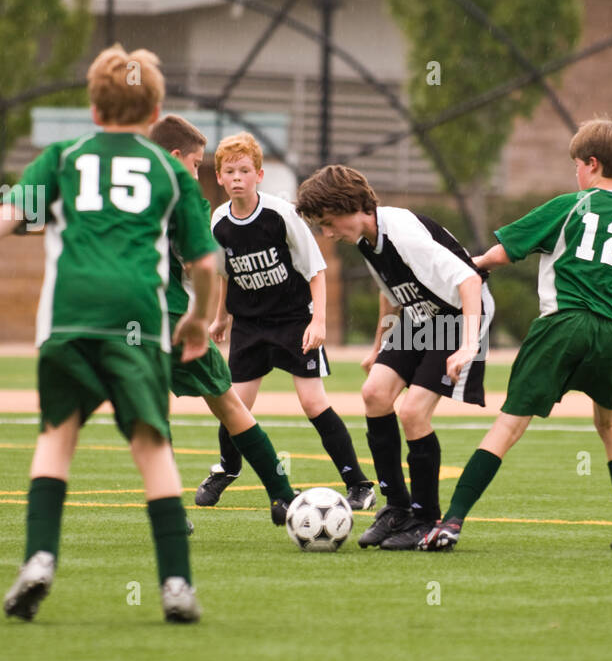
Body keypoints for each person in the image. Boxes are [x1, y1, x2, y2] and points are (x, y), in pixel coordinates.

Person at [0, 45, 217, 624]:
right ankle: (175, 584)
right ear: (154, 114)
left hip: (69, 315)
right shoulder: (171, 169)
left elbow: (9, 217)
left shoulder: (62, 157)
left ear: (93, 109)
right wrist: (197, 320)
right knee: (151, 446)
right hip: (137, 322)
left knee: (55, 438)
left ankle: (40, 559)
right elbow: (206, 263)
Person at [418, 117, 612, 553]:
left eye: (577, 164)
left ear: (591, 164)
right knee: (610, 422)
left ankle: (451, 523)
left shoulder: (571, 205)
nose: (575, 173)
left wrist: (466, 269)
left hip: (562, 325)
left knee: (509, 425)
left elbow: (501, 253)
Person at [295, 164, 494, 550]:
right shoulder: (368, 241)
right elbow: (393, 293)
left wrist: (468, 344)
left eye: (329, 222)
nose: (328, 233)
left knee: (413, 412)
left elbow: (469, 280)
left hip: (459, 316)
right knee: (374, 393)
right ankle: (397, 508)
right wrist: (378, 347)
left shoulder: (401, 232)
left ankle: (426, 518)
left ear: (352, 206)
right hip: (421, 316)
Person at [196, 134, 374, 510]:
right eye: (230, 171)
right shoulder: (218, 220)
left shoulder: (281, 214)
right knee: (233, 404)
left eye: (245, 170)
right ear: (220, 177)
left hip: (294, 321)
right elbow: (226, 274)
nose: (238, 177)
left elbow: (316, 269)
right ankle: (227, 468)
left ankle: (358, 483)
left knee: (313, 402)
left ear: (259, 174)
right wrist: (219, 318)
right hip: (248, 324)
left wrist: (319, 321)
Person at [147, 114, 299, 525]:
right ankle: (283, 496)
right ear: (177, 157)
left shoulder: (119, 188)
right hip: (174, 315)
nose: (198, 173)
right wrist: (203, 317)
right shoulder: (184, 195)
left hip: (124, 317)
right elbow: (200, 261)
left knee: (154, 412)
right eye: (197, 164)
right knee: (229, 403)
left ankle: (166, 513)